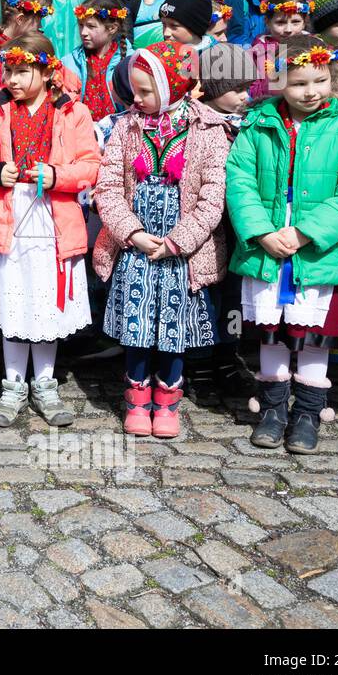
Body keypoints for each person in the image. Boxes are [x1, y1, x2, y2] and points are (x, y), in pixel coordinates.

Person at [227, 35, 338, 454]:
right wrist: (260, 231)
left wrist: (306, 231)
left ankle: (308, 412)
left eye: (320, 80)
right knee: (272, 332)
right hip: (267, 243)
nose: (311, 91)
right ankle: (273, 410)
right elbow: (239, 180)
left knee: (314, 336)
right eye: (299, 83)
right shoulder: (257, 126)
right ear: (278, 85)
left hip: (317, 248)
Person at [94, 41, 230, 438]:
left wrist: (176, 242)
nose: (135, 98)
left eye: (145, 91)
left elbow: (212, 197)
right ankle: (137, 397)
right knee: (137, 322)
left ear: (172, 85)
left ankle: (167, 399)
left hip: (180, 250)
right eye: (134, 90)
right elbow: (108, 186)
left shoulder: (208, 130)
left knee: (173, 325)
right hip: (136, 242)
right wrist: (132, 233)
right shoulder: (126, 126)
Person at [0, 32, 100, 429]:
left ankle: (44, 382)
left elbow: (91, 164)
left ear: (46, 71)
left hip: (52, 220)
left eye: (22, 71)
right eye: (8, 70)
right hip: (7, 217)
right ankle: (12, 385)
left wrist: (57, 174)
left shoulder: (73, 112)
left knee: (45, 304)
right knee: (14, 302)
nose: (12, 79)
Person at [186, 43, 262, 406]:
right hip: (203, 224)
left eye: (249, 88)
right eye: (238, 89)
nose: (246, 96)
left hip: (237, 223)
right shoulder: (194, 121)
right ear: (215, 89)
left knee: (232, 295)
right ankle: (199, 360)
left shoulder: (249, 123)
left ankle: (227, 356)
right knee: (204, 295)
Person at [61, 0, 130, 123]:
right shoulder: (69, 63)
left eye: (91, 26)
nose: (83, 32)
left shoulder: (130, 61)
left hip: (119, 131)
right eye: (81, 25)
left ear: (112, 28)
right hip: (81, 132)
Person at [249, 0, 313, 100]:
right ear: (267, 21)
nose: (288, 30)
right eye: (280, 23)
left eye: (295, 22)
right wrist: (273, 81)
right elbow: (253, 90)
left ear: (304, 22)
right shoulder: (260, 51)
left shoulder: (314, 46)